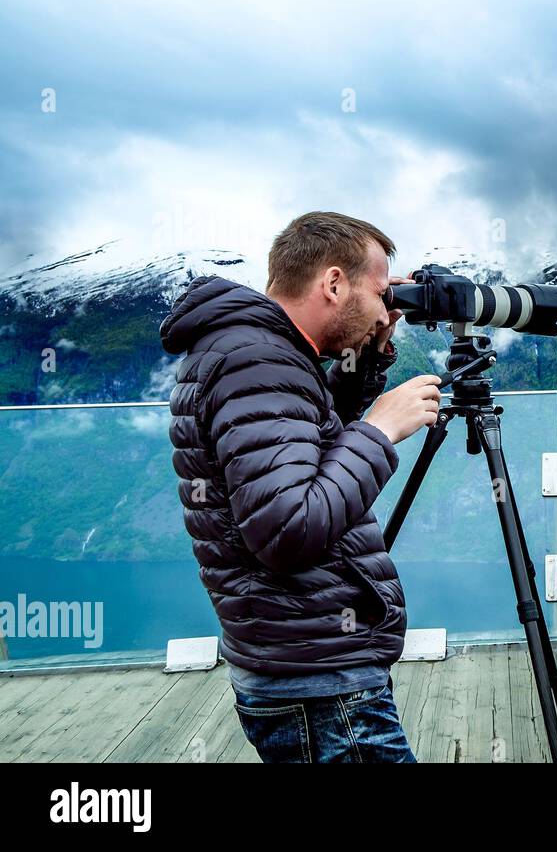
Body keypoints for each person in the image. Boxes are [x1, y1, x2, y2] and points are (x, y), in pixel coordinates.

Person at [160, 211, 441, 762]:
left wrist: (368, 355)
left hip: (303, 663)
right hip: (321, 688)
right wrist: (379, 431)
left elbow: (305, 435)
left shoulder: (261, 351)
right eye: (379, 292)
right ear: (334, 283)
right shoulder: (256, 360)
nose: (385, 309)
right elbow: (287, 529)